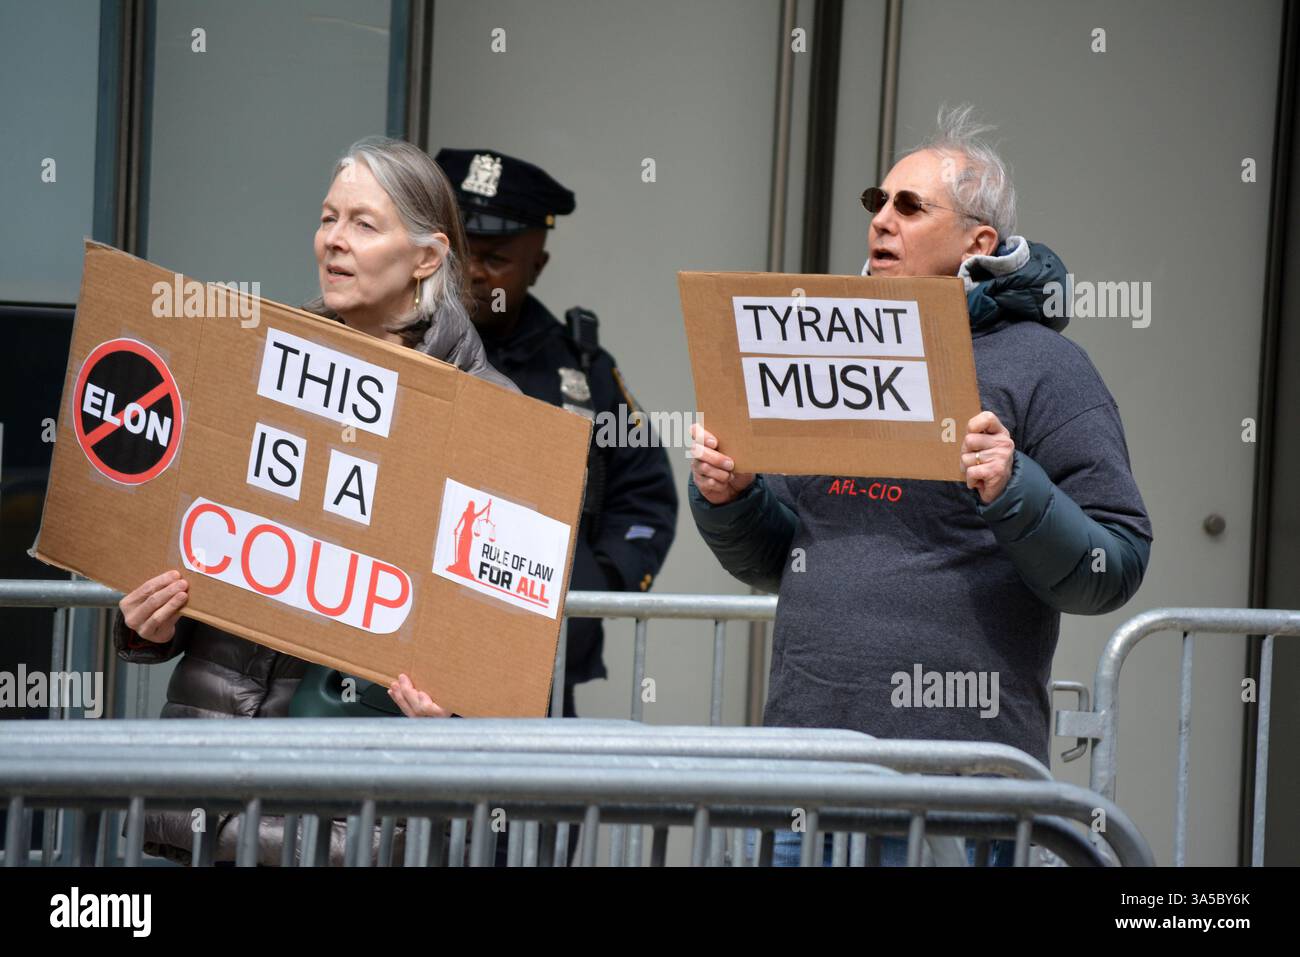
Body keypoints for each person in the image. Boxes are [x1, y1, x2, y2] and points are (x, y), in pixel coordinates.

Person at [688, 106, 1153, 867]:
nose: (882, 220)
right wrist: (731, 496)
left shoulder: (1047, 369)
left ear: (979, 242)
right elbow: (780, 557)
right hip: (804, 775)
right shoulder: (821, 345)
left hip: (963, 792)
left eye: (910, 206)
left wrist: (1013, 486)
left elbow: (1117, 562)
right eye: (877, 203)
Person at [113, 136, 511, 863]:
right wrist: (152, 624)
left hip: (357, 819)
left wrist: (458, 707)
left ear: (427, 256)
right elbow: (203, 546)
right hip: (213, 794)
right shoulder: (255, 364)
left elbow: (497, 627)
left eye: (364, 223)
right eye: (328, 217)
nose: (334, 240)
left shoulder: (490, 417)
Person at [433, 147, 679, 717]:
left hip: (540, 660)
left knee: (532, 804)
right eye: (462, 253)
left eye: (494, 258)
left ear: (537, 266)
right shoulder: (396, 340)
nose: (472, 272)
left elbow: (645, 492)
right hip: (400, 642)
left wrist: (594, 586)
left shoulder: (579, 366)